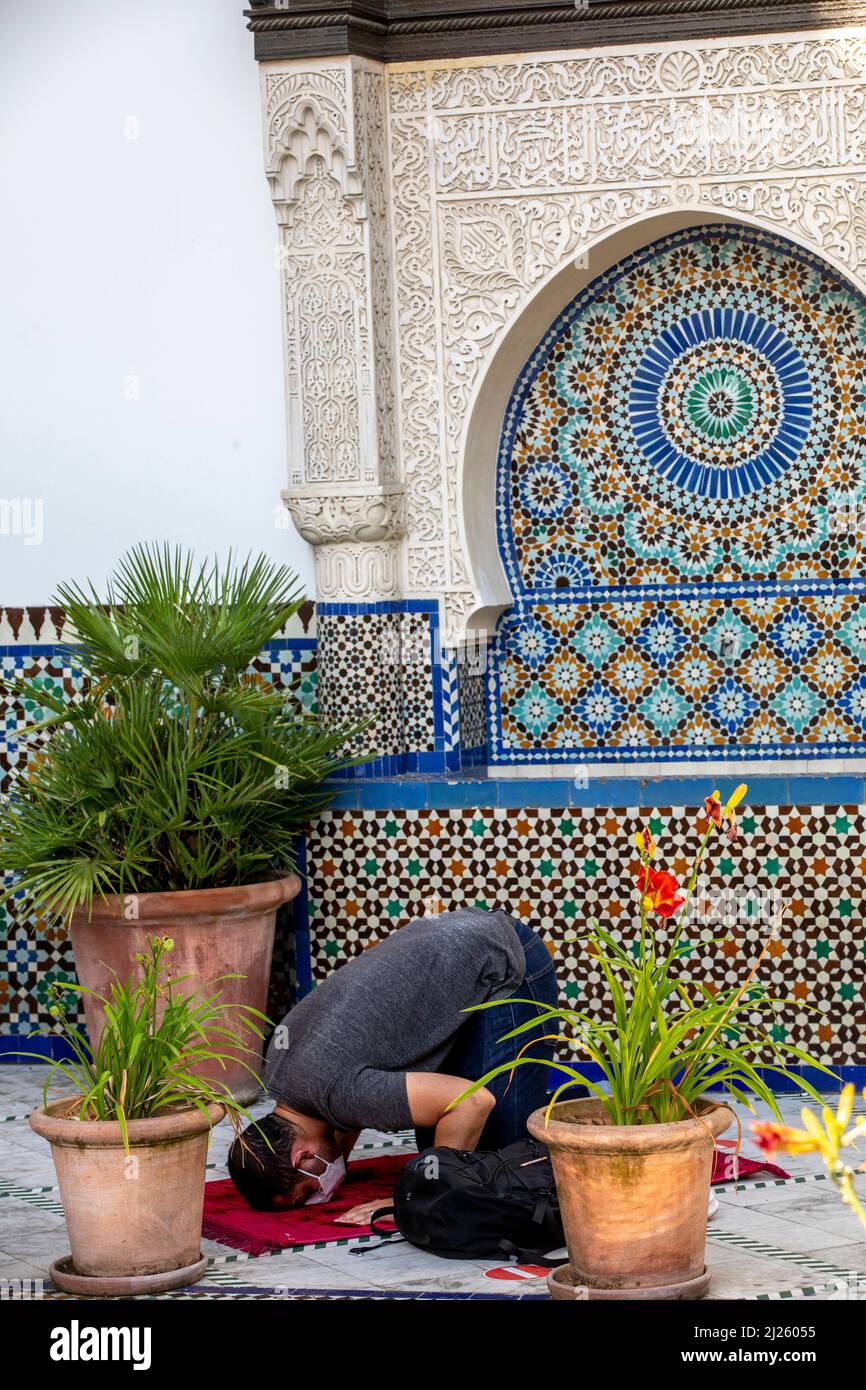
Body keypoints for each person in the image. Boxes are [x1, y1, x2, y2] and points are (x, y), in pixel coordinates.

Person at [227, 907, 560, 1221]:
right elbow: (341, 1105)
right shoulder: (280, 1068)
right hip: (468, 940)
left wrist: (419, 1196)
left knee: (506, 1167)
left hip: (509, 964)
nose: (320, 1197)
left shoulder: (341, 1093)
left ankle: (578, 1121)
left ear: (302, 1157)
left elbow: (473, 1101)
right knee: (444, 1154)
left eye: (307, 1192)